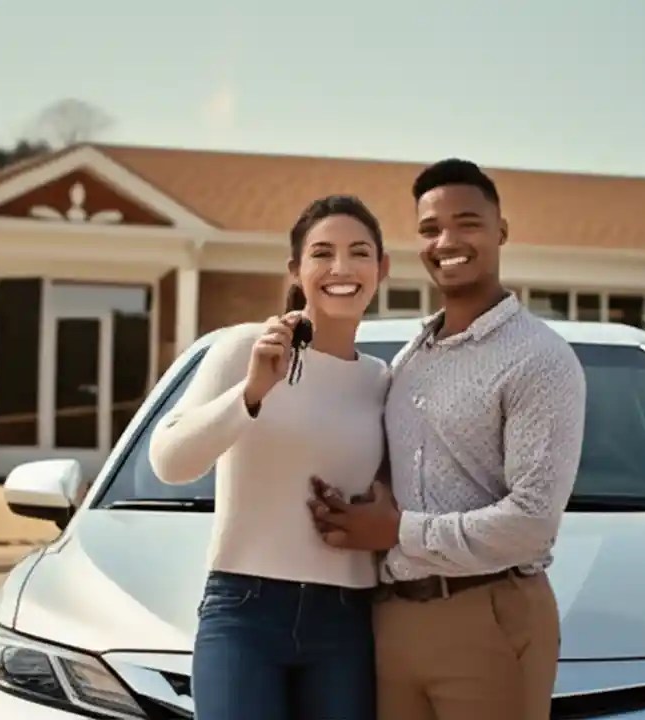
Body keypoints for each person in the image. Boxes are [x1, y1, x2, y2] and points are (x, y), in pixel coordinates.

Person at [308, 158, 587, 720]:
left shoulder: (540, 358)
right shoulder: (412, 356)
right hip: (392, 621)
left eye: (467, 223)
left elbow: (533, 522)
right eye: (431, 229)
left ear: (501, 231)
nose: (447, 241)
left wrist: (397, 530)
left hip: (489, 614)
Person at [148, 194, 391, 720]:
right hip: (244, 614)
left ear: (382, 268)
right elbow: (169, 463)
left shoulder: (382, 380)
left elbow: (395, 491)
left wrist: (379, 519)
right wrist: (252, 392)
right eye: (322, 253)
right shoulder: (243, 349)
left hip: (347, 620)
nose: (341, 268)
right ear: (296, 270)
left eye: (359, 253)